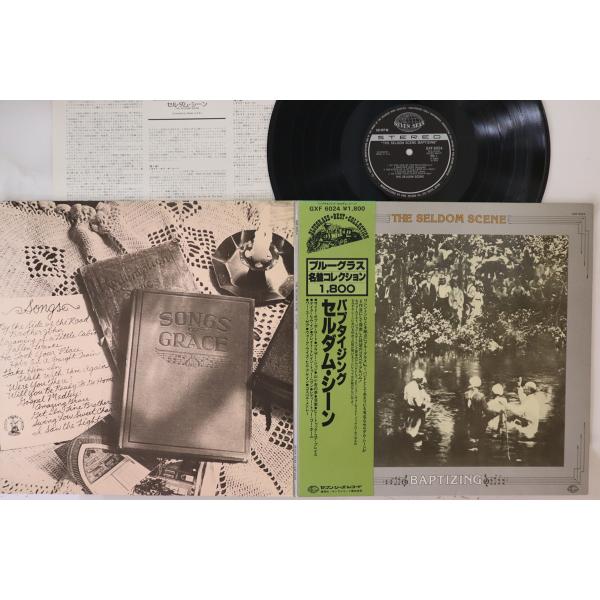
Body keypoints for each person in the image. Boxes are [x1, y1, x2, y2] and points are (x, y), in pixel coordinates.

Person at [403, 368, 432, 443]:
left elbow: (405, 398)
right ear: (419, 379)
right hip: (416, 411)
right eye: (421, 378)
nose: (422, 380)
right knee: (427, 409)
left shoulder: (410, 385)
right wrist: (426, 405)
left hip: (408, 411)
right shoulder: (415, 388)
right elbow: (419, 403)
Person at [464, 376, 487, 450]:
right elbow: (485, 409)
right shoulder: (481, 396)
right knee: (477, 435)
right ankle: (476, 448)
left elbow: (466, 407)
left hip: (469, 417)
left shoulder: (466, 394)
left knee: (471, 432)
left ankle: (471, 447)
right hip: (478, 418)